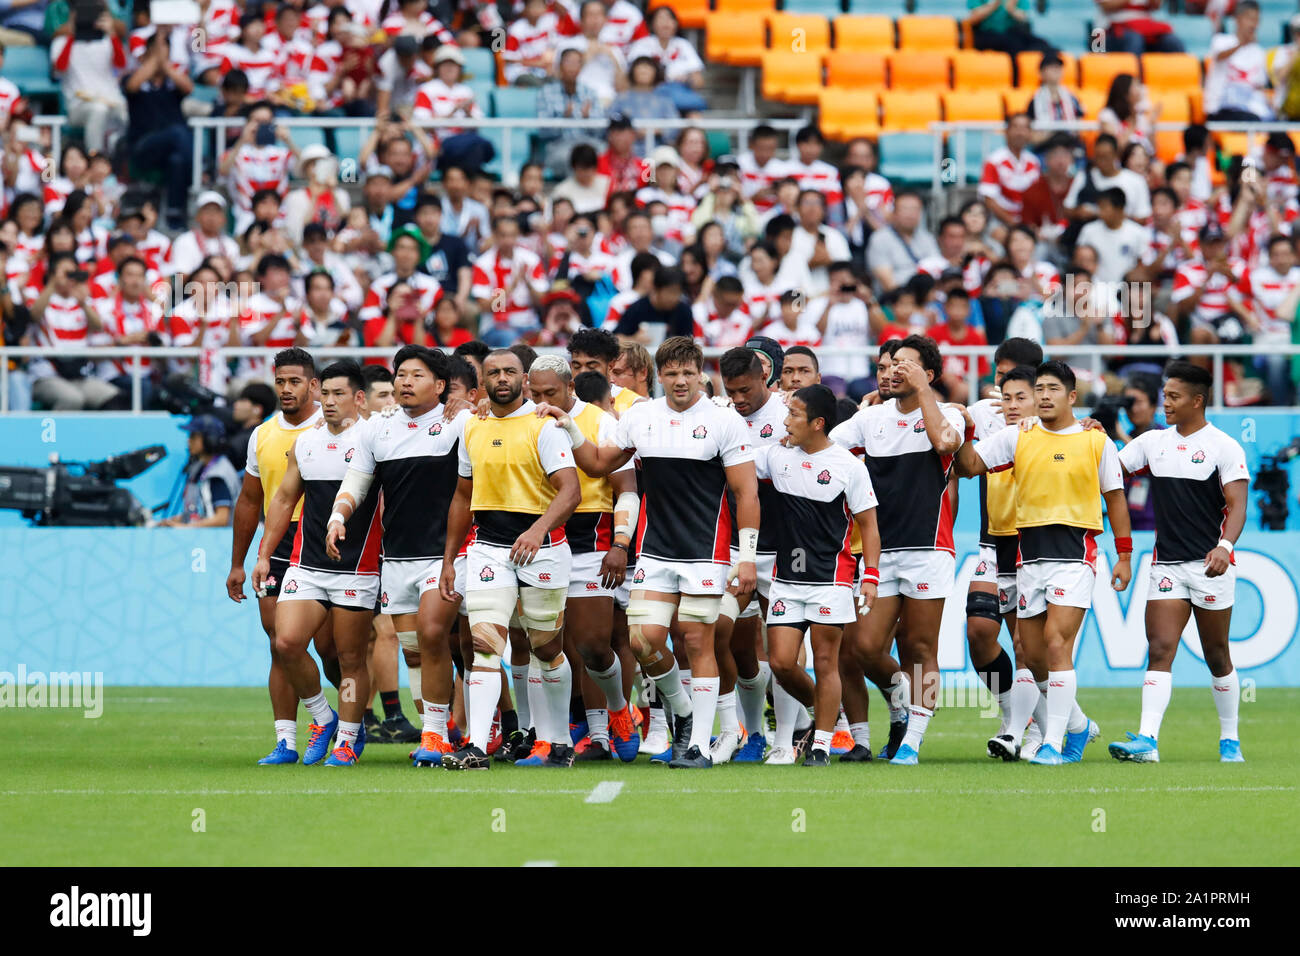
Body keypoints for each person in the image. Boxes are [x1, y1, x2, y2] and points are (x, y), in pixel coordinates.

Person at [538, 336, 760, 769]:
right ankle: (682, 712)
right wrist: (569, 425)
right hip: (655, 551)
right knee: (644, 641)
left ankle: (697, 746)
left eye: (688, 373)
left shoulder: (724, 421)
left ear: (701, 375)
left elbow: (745, 491)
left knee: (697, 641)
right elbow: (600, 464)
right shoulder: (642, 416)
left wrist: (746, 555)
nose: (680, 381)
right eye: (672, 373)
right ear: (659, 376)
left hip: (705, 552)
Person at [959, 360, 1131, 764]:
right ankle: (1077, 726)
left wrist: (1124, 555)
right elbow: (968, 467)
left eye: (1053, 389)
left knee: (1056, 643)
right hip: (1029, 558)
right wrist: (964, 425)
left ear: (1072, 396)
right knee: (1031, 654)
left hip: (1075, 554)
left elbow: (1116, 498)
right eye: (1040, 389)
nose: (1045, 396)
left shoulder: (1095, 442)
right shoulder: (1017, 437)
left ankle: (1051, 742)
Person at [325, 346, 472, 765]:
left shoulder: (459, 422)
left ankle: (435, 734)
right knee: (413, 649)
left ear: (440, 385)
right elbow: (358, 477)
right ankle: (443, 728)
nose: (405, 382)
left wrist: (470, 401)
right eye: (401, 375)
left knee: (432, 634)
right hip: (397, 558)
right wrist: (339, 515)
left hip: (446, 555)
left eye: (417, 375)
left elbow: (502, 417)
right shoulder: (379, 429)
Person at [439, 349, 582, 769]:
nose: (502, 378)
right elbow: (463, 496)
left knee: (547, 648)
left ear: (524, 378)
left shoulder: (545, 426)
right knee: (483, 646)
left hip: (545, 550)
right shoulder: (471, 428)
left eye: (510, 371)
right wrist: (450, 559)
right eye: (493, 372)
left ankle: (558, 742)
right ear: (482, 384)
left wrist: (537, 530)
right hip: (488, 549)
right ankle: (477, 747)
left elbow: (570, 490)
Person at [829, 336, 965, 764]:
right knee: (864, 647)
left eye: (905, 365)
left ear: (928, 375)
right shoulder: (871, 420)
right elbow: (827, 447)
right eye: (888, 365)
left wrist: (925, 395)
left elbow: (945, 444)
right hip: (881, 553)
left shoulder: (950, 416)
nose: (893, 371)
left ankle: (913, 739)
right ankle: (906, 697)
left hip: (929, 549)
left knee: (922, 648)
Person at [1109, 361, 1250, 764]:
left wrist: (1224, 546)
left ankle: (1230, 739)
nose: (1165, 404)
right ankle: (1147, 741)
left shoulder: (1224, 446)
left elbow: (1238, 505)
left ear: (1198, 400)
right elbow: (1110, 471)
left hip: (1210, 565)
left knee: (1217, 654)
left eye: (1173, 397)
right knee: (1160, 648)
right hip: (1167, 566)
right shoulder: (1153, 442)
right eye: (1164, 396)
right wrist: (1095, 440)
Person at [250, 361, 379, 766]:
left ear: (359, 398)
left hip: (358, 566)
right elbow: (284, 500)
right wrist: (263, 556)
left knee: (349, 658)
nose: (329, 402)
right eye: (325, 394)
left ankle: (347, 739)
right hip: (306, 563)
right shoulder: (306, 442)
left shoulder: (374, 438)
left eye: (339, 394)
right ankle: (324, 718)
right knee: (285, 642)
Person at [757, 384, 881, 766]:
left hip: (832, 580)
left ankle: (822, 744)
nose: (785, 420)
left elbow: (869, 526)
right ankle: (825, 712)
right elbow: (736, 466)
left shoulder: (849, 466)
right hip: (787, 580)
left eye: (794, 414)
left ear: (818, 423)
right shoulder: (776, 456)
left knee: (827, 661)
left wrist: (871, 576)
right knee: (780, 663)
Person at [526, 356, 640, 762]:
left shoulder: (600, 422)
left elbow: (626, 489)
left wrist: (621, 544)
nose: (541, 401)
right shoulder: (521, 421)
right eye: (534, 394)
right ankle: (578, 738)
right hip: (538, 540)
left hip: (592, 541)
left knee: (593, 644)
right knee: (547, 646)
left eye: (550, 393)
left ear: (569, 387)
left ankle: (619, 712)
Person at [225, 348, 333, 765]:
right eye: (280, 382)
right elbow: (250, 501)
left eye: (294, 382)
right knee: (280, 644)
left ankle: (348, 728)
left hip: (323, 539)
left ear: (313, 385)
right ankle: (288, 740)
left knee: (330, 650)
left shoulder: (334, 426)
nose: (286, 390)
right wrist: (238, 562)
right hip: (278, 543)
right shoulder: (262, 435)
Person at [710, 347, 793, 764]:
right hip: (735, 549)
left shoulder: (789, 415)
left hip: (784, 550)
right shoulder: (719, 416)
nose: (739, 399)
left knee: (783, 654)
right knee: (721, 634)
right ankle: (749, 733)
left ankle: (786, 738)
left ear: (766, 377)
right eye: (731, 391)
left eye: (745, 390)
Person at [960, 339, 1043, 753]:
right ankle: (1021, 718)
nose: (1002, 392)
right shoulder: (980, 413)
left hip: (1038, 544)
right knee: (979, 631)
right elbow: (955, 452)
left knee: (1027, 643)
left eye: (1014, 386)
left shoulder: (1057, 423)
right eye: (997, 377)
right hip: (991, 542)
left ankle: (1022, 729)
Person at [122, 27, 193, 231]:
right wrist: (155, 58)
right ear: (146, 54)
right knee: (180, 132)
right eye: (156, 53)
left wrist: (165, 63)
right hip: (143, 147)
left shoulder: (171, 82)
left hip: (171, 151)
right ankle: (197, 169)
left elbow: (189, 87)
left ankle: (174, 213)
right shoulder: (135, 78)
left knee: (177, 160)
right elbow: (132, 86)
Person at [160, 414, 241, 528]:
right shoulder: (199, 469)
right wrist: (172, 521)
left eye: (193, 436)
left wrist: (185, 528)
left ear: (210, 440)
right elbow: (197, 514)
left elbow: (222, 519)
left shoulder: (218, 473)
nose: (189, 441)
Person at [1205, 0, 1271, 122]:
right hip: (1221, 110)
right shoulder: (1221, 41)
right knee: (1253, 120)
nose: (1254, 25)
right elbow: (1220, 56)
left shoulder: (1259, 52)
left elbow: (1259, 86)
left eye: (1257, 20)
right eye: (1250, 19)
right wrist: (1242, 44)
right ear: (1237, 19)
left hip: (1249, 110)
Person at [868, 191, 941, 293]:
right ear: (894, 213)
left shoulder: (927, 238)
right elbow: (888, 284)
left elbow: (938, 268)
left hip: (928, 298)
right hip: (896, 301)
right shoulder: (880, 239)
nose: (910, 214)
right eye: (905, 209)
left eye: (915, 209)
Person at [1096, 0, 1184, 55]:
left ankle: (1181, 80)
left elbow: (1156, 6)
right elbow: (1106, 6)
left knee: (1172, 41)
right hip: (1109, 33)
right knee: (1135, 40)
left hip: (1145, 30)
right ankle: (1133, 81)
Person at [968, 0, 1051, 57]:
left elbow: (1024, 17)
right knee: (1012, 44)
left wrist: (1011, 9)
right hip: (986, 34)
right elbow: (973, 19)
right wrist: (994, 5)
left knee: (1043, 44)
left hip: (1011, 33)